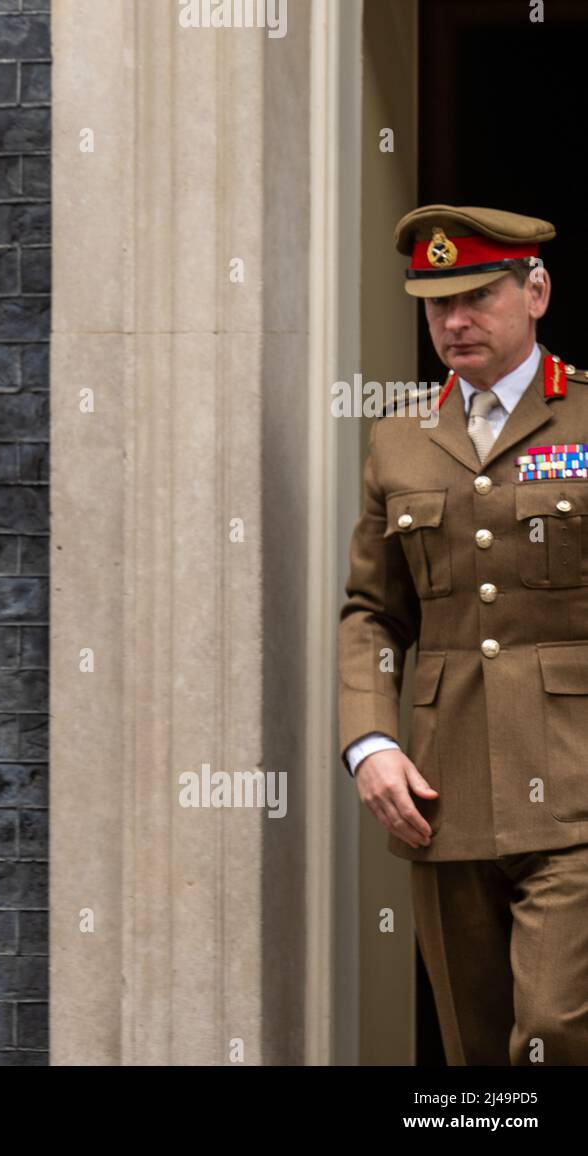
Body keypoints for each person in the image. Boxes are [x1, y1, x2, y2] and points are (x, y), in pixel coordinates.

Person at [339, 204, 588, 1065]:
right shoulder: (398, 440)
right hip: (443, 796)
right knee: (475, 1055)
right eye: (436, 301)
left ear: (537, 291)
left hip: (575, 785)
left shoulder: (587, 420)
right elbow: (372, 610)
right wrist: (369, 741)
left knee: (551, 1033)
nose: (455, 320)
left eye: (479, 295)